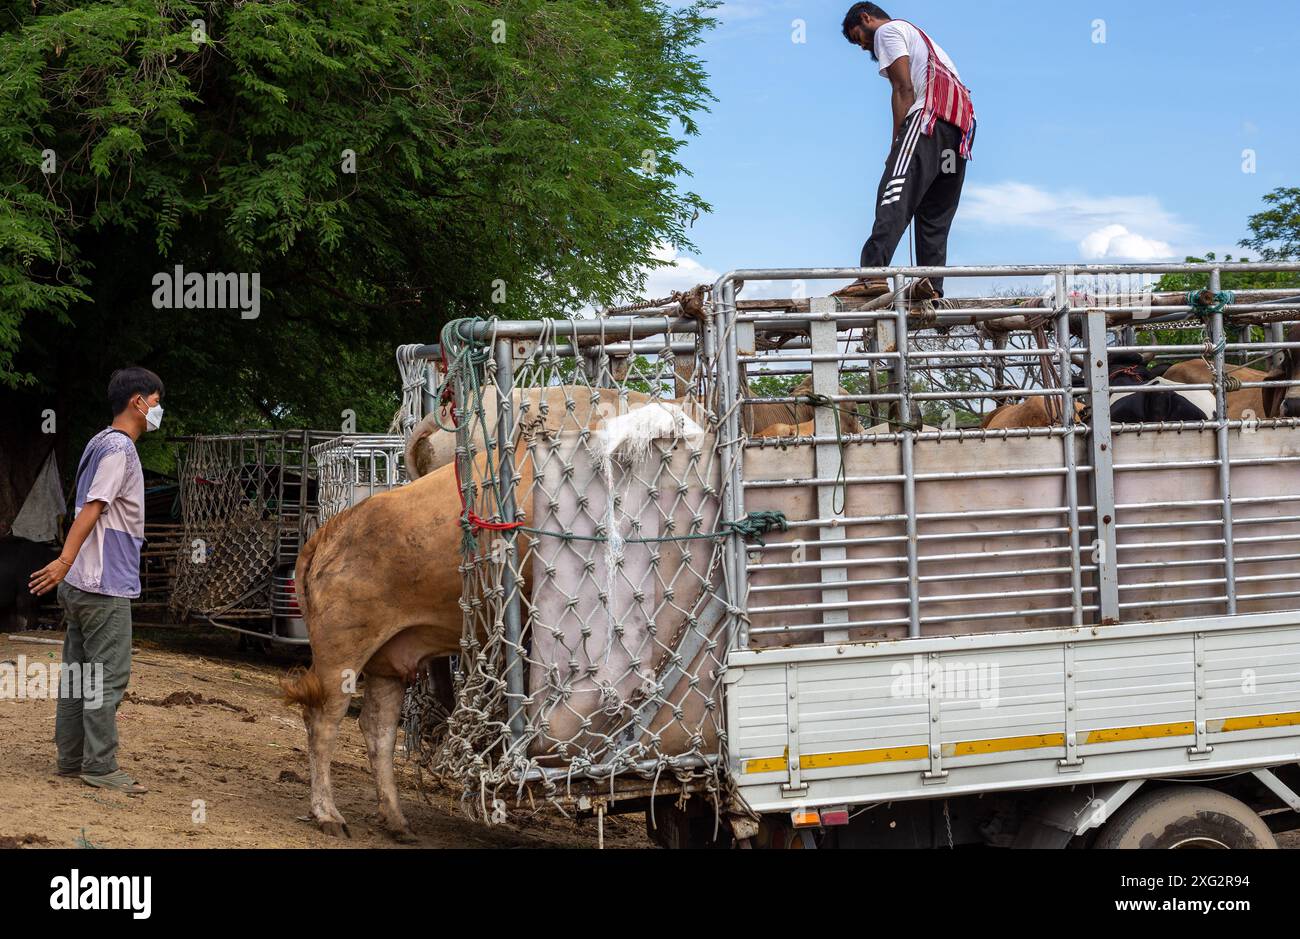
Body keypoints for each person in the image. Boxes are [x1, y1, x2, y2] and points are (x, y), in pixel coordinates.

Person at [29, 366, 165, 794]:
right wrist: (65, 560)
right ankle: (100, 767)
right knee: (108, 675)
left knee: (78, 674)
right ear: (137, 402)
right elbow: (93, 506)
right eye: (157, 402)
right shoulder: (120, 450)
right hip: (102, 583)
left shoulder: (97, 443)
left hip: (82, 583)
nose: (159, 411)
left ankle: (71, 759)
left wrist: (67, 567)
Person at [836, 3, 976, 299]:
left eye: (858, 37)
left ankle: (871, 276)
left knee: (893, 193)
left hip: (929, 122)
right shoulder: (924, 39)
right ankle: (931, 286)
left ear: (866, 18)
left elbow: (903, 89)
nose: (863, 47)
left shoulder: (888, 31)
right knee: (934, 214)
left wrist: (896, 144)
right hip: (959, 133)